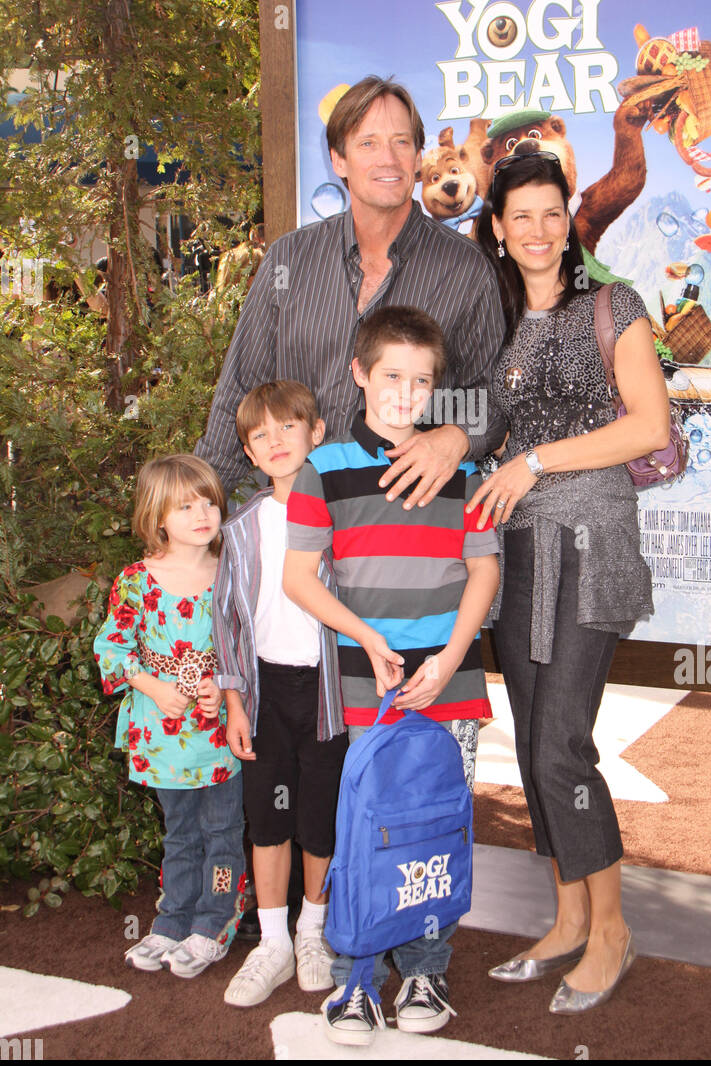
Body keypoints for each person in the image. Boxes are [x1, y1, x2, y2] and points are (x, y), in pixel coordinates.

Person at [466, 149, 670, 1013]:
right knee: (532, 736)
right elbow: (476, 433)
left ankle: (614, 928)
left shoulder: (611, 307)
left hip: (592, 546)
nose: (540, 231)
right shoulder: (493, 326)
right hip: (517, 556)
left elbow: (648, 426)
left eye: (554, 213)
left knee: (559, 744)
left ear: (568, 221)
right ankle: (566, 918)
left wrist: (535, 460)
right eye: (523, 217)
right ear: (500, 231)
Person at [283, 306, 500, 1046]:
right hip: (360, 688)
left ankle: (427, 971)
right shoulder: (325, 469)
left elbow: (483, 571)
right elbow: (299, 578)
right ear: (360, 375)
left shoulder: (465, 472)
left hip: (452, 688)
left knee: (435, 827)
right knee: (363, 831)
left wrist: (447, 660)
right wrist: (369, 637)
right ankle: (356, 980)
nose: (406, 395)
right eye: (392, 377)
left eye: (422, 382)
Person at [195, 75, 506, 503]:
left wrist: (454, 437)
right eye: (367, 143)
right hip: (299, 518)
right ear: (338, 160)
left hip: (404, 523)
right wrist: (198, 514)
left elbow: (496, 396)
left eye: (401, 142)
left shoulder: (465, 268)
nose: (388, 160)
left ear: (419, 158)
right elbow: (240, 393)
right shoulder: (289, 260)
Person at [212, 381, 348, 1006]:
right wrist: (235, 698)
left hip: (328, 694)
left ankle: (312, 931)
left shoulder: (340, 519)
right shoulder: (240, 528)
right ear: (247, 450)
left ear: (316, 433)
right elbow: (228, 621)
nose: (276, 440)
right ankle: (272, 941)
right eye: (260, 433)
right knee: (268, 817)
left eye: (288, 427)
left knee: (319, 815)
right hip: (265, 692)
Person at [93, 454, 245, 978]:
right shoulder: (136, 581)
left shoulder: (232, 574)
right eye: (185, 505)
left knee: (224, 832)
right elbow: (112, 649)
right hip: (161, 735)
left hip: (220, 736)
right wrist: (156, 687)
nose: (202, 513)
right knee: (180, 834)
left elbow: (247, 648)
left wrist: (224, 690)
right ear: (158, 516)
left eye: (209, 502)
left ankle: (218, 915)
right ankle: (174, 917)